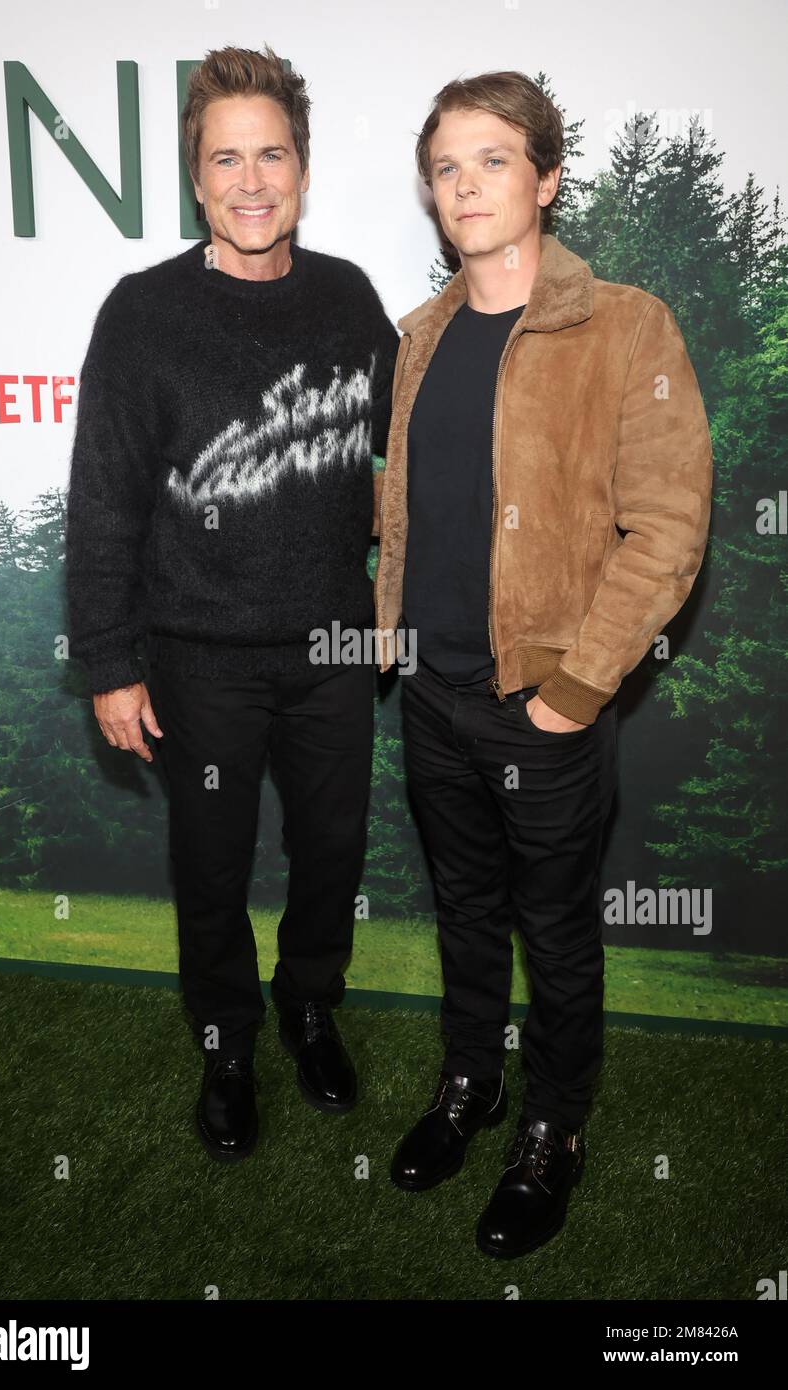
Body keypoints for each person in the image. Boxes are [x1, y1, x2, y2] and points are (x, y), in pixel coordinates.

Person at [374, 70, 712, 1257]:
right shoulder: (412, 341)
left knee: (556, 933)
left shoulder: (623, 324)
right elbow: (404, 515)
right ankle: (472, 1086)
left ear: (547, 178)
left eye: (493, 160)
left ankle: (554, 1131)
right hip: (430, 695)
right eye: (446, 167)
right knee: (465, 914)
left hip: (541, 705)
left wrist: (578, 686)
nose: (466, 185)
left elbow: (668, 523)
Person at [65, 45, 398, 1163]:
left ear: (301, 168)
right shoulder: (143, 313)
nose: (251, 180)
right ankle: (227, 1043)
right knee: (209, 872)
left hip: (335, 651)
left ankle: (308, 1006)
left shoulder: (352, 300)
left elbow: (402, 470)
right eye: (226, 159)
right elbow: (103, 501)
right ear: (195, 179)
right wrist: (110, 661)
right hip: (196, 657)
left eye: (272, 154)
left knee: (332, 855)